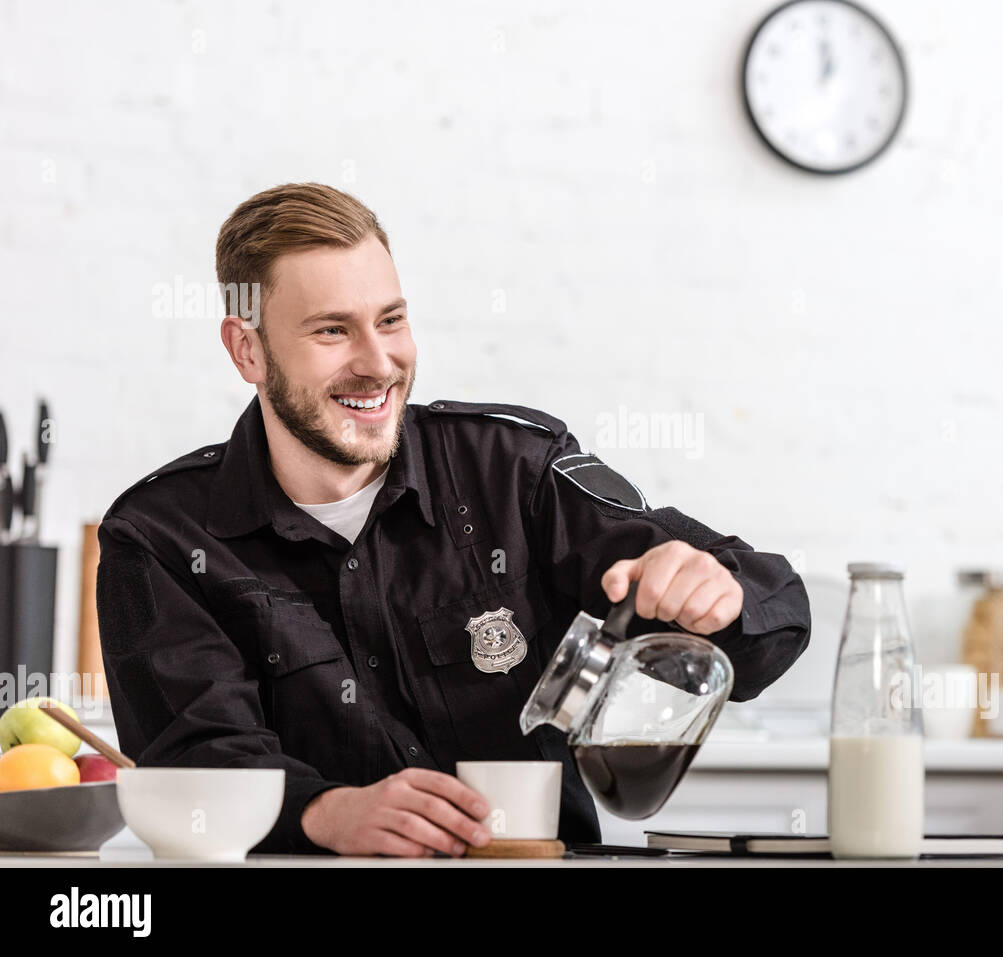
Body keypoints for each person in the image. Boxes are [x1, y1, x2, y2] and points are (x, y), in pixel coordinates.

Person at [95, 182, 811, 857]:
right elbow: (192, 767)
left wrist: (718, 593)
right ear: (246, 348)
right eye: (332, 331)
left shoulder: (513, 469)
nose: (379, 363)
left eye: (391, 320)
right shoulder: (160, 539)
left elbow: (773, 607)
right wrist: (324, 811)